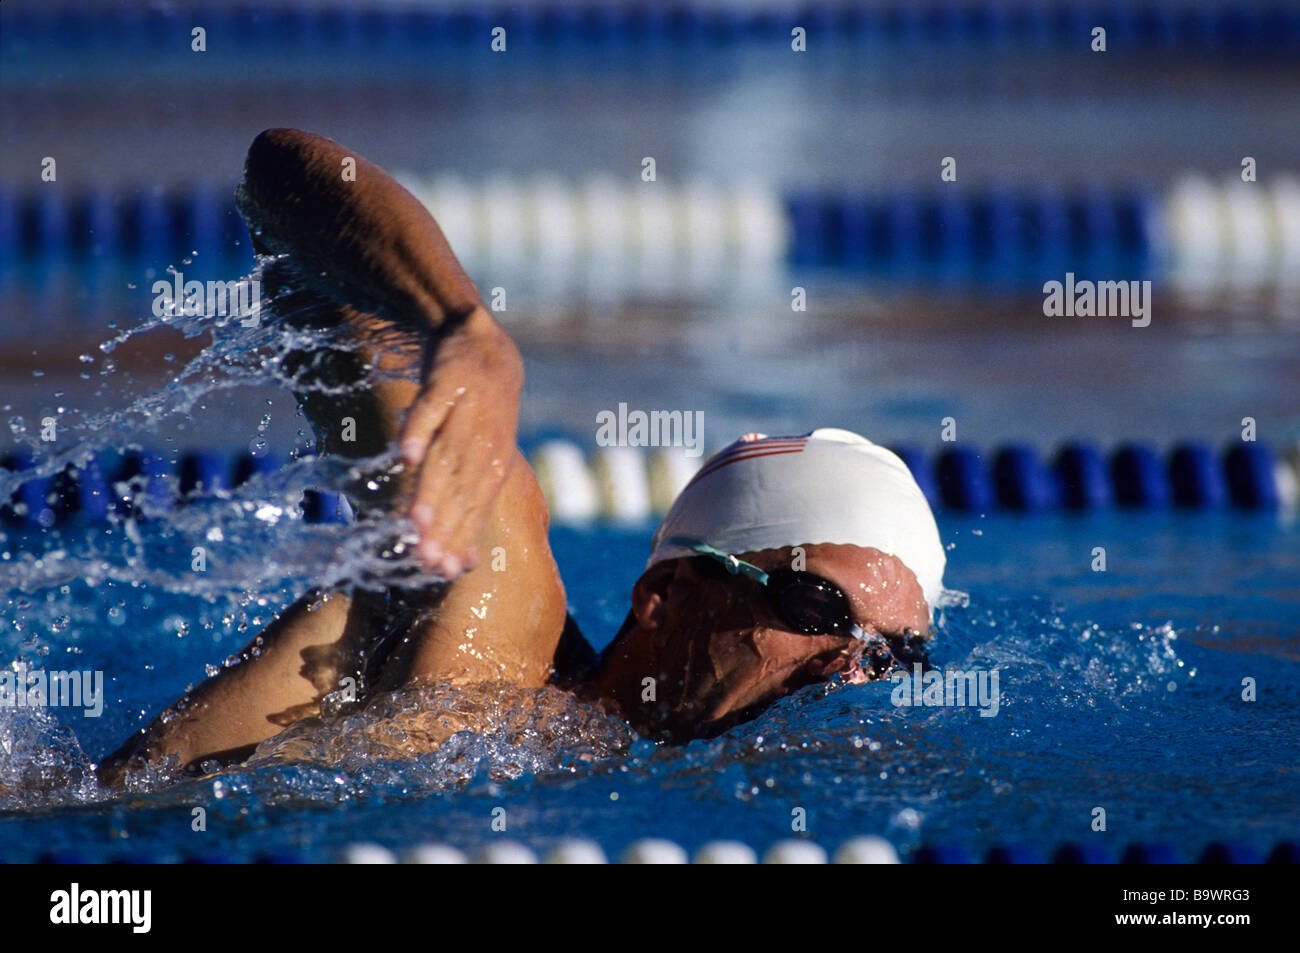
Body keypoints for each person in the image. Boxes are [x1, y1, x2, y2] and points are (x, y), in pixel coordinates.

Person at [95, 129, 945, 785]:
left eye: (896, 653)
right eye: (817, 605)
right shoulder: (491, 593)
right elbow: (277, 178)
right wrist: (461, 325)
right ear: (665, 593)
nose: (852, 665)